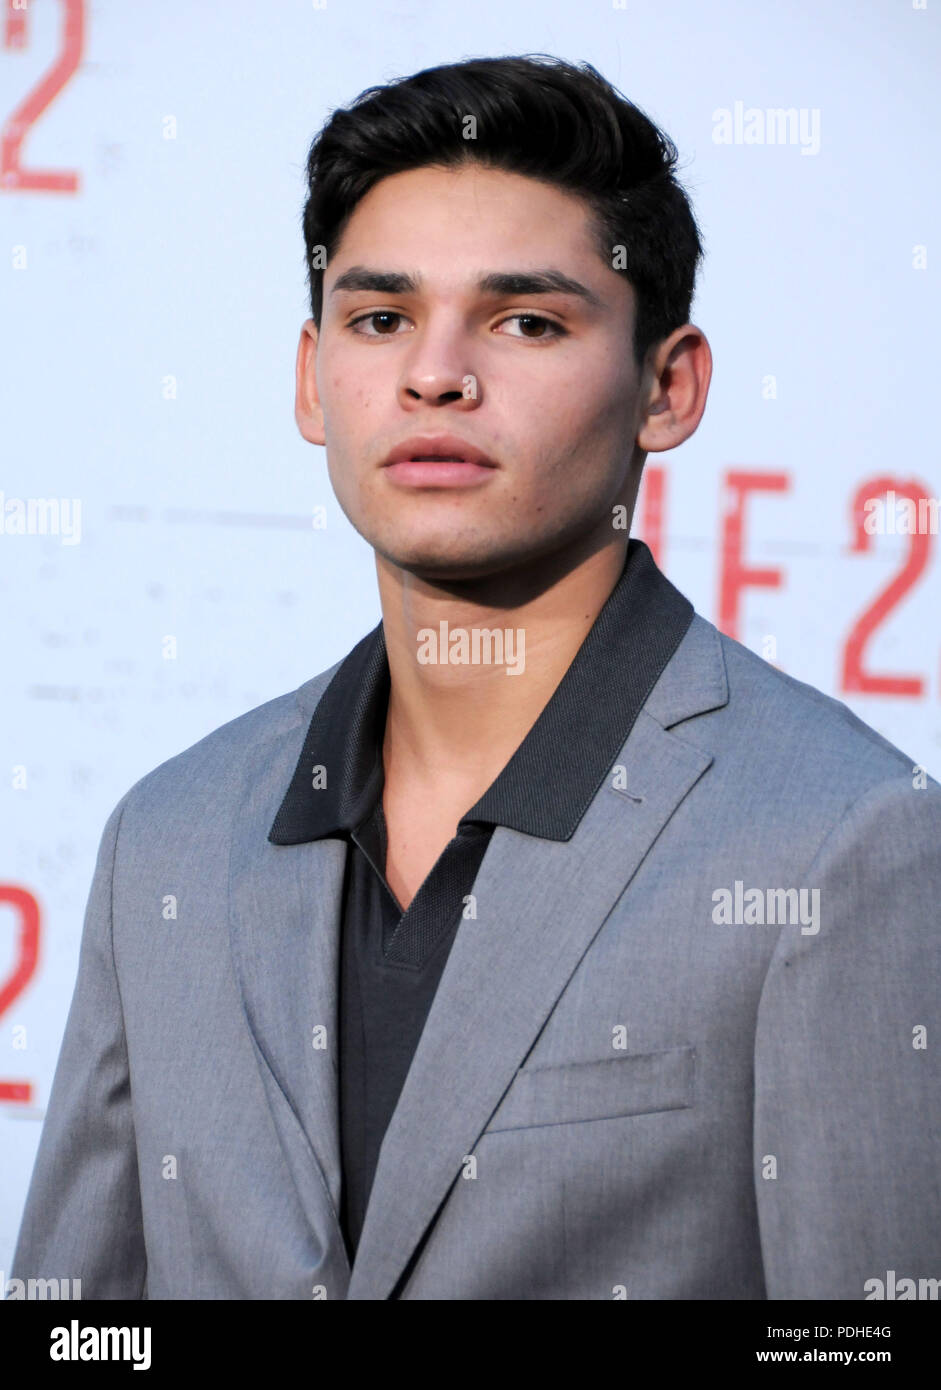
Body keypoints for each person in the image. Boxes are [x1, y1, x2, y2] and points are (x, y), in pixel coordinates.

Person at [10, 54, 940, 1301]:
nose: (434, 374)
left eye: (525, 322)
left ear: (666, 387)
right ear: (310, 377)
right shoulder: (169, 843)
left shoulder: (838, 846)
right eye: (381, 317)